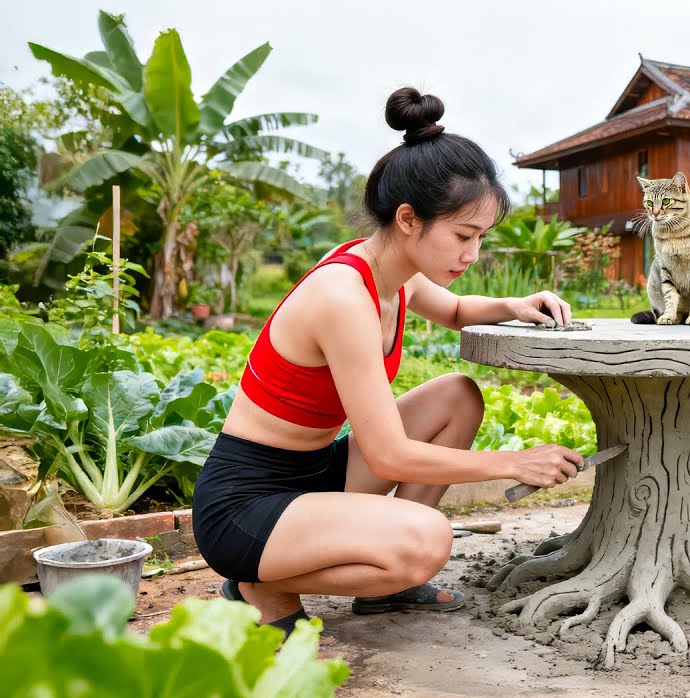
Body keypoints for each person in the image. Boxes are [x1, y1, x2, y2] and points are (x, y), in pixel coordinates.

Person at [192, 87, 585, 642]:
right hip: (248, 503)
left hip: (317, 473)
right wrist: (515, 462)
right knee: (425, 541)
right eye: (463, 236)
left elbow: (452, 310)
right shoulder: (342, 295)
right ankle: (259, 582)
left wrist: (517, 305)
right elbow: (388, 454)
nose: (471, 255)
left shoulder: (392, 271)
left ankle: (381, 586)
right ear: (408, 218)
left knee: (458, 396)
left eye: (479, 239)